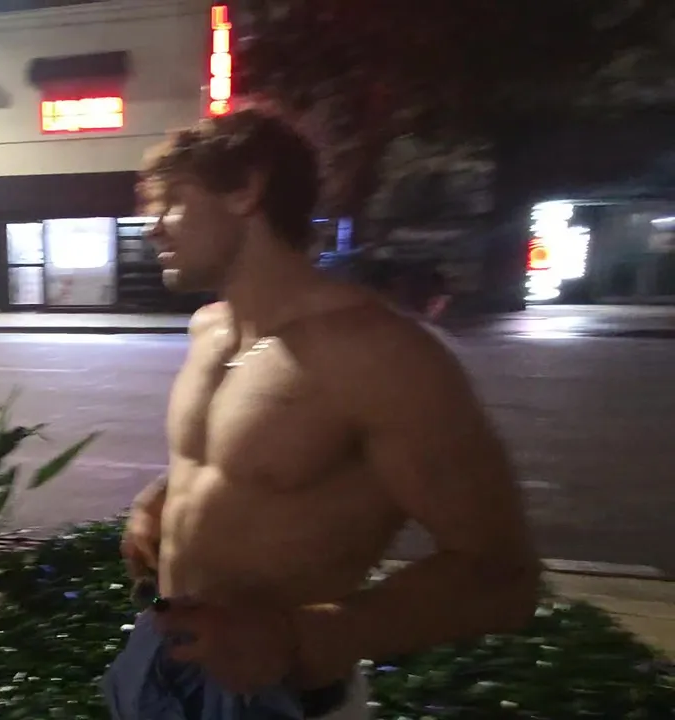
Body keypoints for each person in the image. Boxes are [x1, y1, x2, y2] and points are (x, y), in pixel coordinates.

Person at [107, 108, 539, 720]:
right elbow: (249, 461)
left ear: (246, 188)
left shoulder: (379, 353)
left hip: (283, 699)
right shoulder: (209, 330)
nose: (152, 227)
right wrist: (164, 495)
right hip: (166, 667)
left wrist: (301, 636)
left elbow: (502, 575)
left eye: (173, 200)